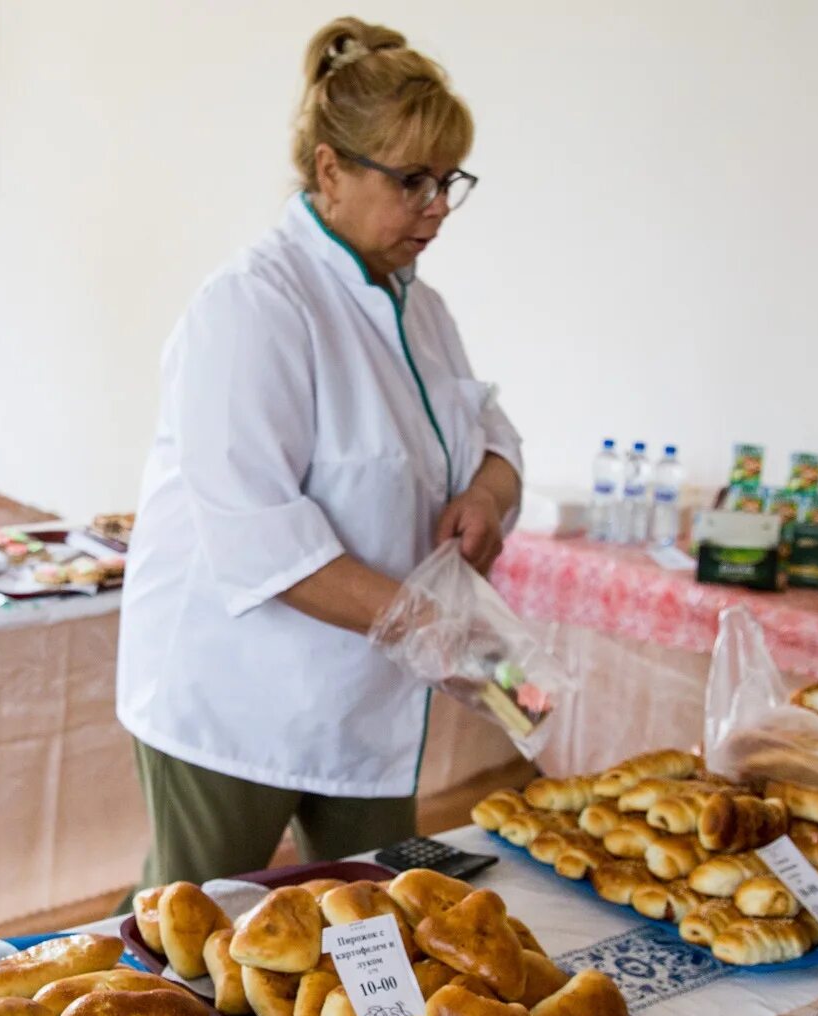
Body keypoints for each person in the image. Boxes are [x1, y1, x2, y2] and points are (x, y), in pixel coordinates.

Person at [116, 17, 524, 893]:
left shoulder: (422, 309)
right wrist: (432, 625)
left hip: (367, 692)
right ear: (331, 170)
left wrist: (488, 495)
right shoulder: (253, 306)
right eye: (413, 181)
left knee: (373, 916)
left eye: (448, 180)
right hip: (237, 691)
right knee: (195, 924)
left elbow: (495, 437)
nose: (438, 206)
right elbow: (260, 538)